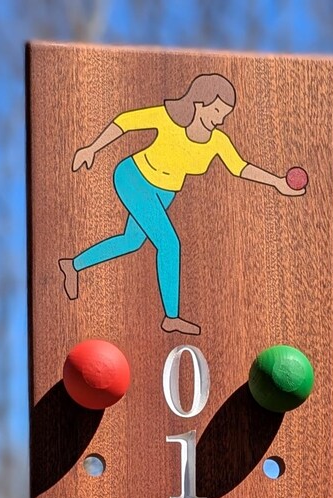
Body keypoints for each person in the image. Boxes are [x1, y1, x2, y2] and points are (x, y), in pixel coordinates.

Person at [59, 73, 305, 336]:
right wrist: (91, 148)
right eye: (218, 111)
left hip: (164, 193)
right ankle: (171, 317)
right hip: (133, 178)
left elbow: (240, 168)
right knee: (169, 243)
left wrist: (278, 182)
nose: (221, 119)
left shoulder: (217, 141)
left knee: (131, 241)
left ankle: (72, 265)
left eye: (225, 114)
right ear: (200, 103)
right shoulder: (169, 119)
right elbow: (125, 122)